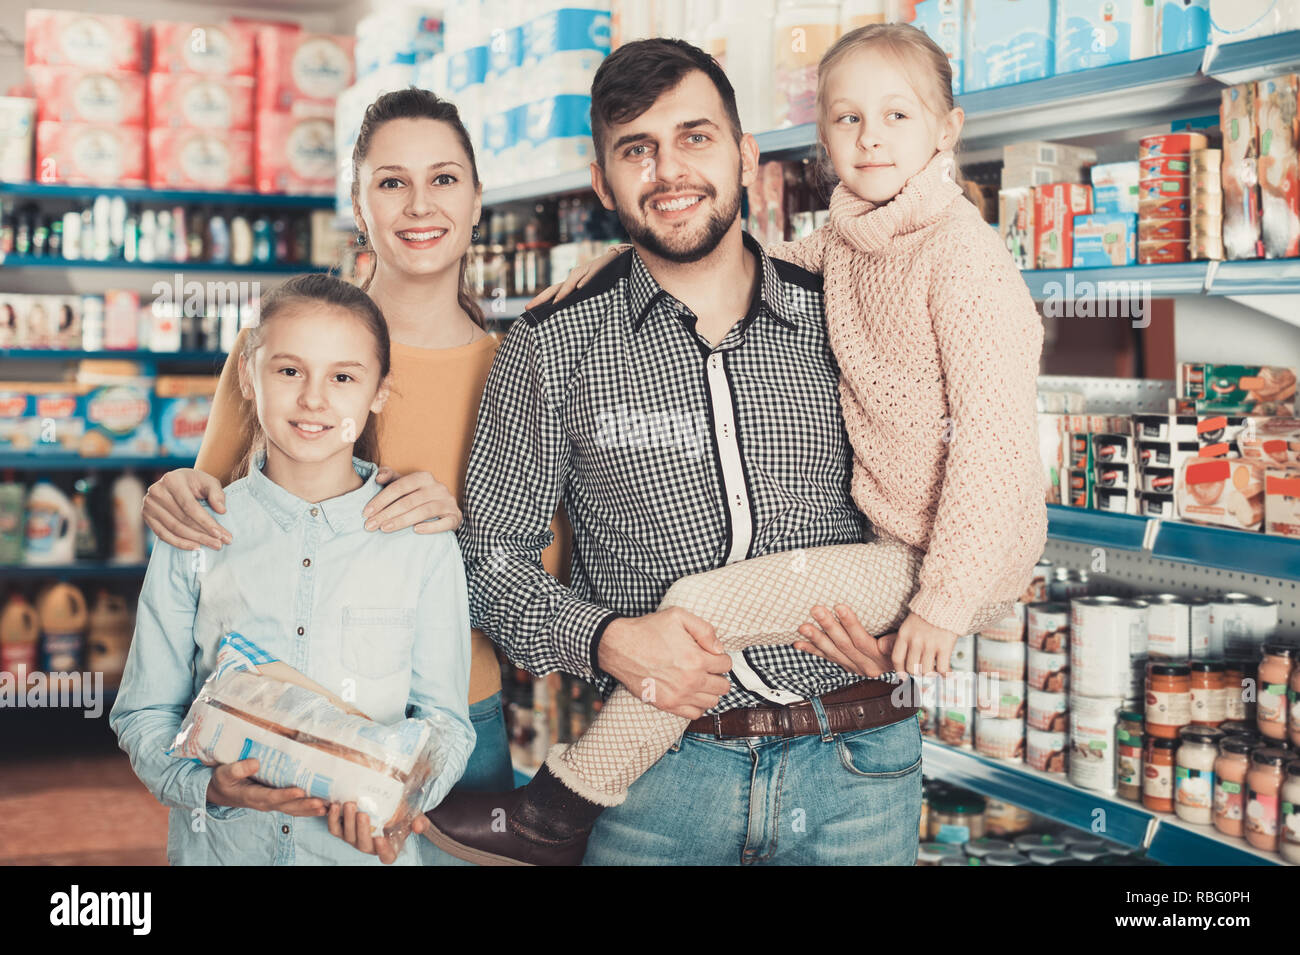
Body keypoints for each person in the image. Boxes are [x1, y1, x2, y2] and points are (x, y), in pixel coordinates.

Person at [426, 29, 1043, 866]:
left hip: (856, 764)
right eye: (636, 151)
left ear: (747, 155)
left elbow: (983, 457)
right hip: (661, 789)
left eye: (695, 137)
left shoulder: (843, 301)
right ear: (603, 181)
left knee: (708, 600)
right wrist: (606, 638)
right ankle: (562, 804)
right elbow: (487, 558)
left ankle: (555, 806)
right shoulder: (552, 343)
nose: (669, 171)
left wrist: (915, 623)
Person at [137, 89, 572, 864]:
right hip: (266, 716)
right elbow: (209, 517)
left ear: (477, 199)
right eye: (390, 181)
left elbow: (547, 587)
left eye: (443, 179)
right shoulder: (284, 346)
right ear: (359, 203)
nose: (419, 204)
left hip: (450, 726)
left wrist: (460, 528)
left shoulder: (520, 368)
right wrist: (170, 490)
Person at [110, 273, 476, 865]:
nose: (313, 399)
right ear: (250, 375)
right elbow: (144, 710)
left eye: (343, 377)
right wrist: (204, 786)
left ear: (379, 391)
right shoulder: (196, 533)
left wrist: (397, 804)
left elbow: (446, 724)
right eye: (289, 371)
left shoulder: (419, 542)